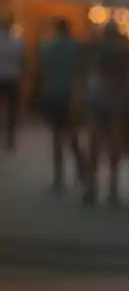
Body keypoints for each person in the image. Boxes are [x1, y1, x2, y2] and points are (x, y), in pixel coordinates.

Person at [84, 21, 129, 205]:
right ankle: (112, 187)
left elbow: (87, 70)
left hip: (98, 98)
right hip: (117, 100)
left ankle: (92, 187)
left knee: (94, 144)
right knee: (114, 145)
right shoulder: (123, 51)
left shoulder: (96, 50)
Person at [35, 19, 84, 193]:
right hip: (70, 96)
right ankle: (81, 169)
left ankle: (58, 175)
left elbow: (42, 72)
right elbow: (81, 73)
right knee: (72, 135)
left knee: (56, 136)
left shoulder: (47, 49)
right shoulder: (76, 49)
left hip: (52, 95)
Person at [0, 16, 24, 151]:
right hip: (12, 79)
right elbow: (21, 62)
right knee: (11, 111)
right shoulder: (17, 43)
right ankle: (10, 138)